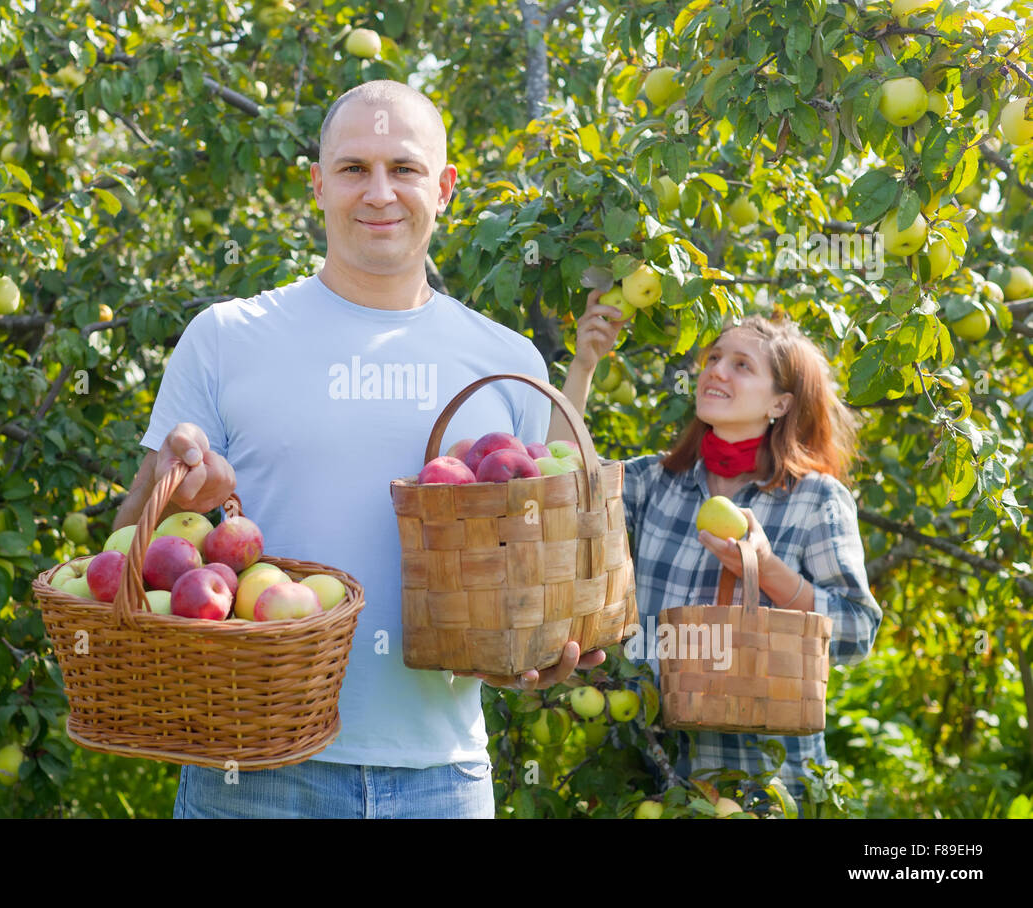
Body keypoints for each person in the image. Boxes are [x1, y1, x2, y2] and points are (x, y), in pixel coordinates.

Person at [115, 79, 604, 818]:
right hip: (252, 775)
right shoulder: (226, 337)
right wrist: (184, 497)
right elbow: (127, 548)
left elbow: (527, 567)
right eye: (353, 169)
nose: (379, 192)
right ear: (317, 185)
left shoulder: (506, 364)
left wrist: (530, 650)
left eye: (403, 169)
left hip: (442, 780)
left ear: (444, 189)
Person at [561, 291, 883, 800]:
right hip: (650, 769)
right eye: (712, 359)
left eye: (741, 365)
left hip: (762, 782)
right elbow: (561, 482)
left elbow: (855, 632)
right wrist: (584, 365)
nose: (716, 372)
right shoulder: (657, 483)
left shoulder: (814, 499)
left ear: (780, 403)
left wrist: (768, 568)